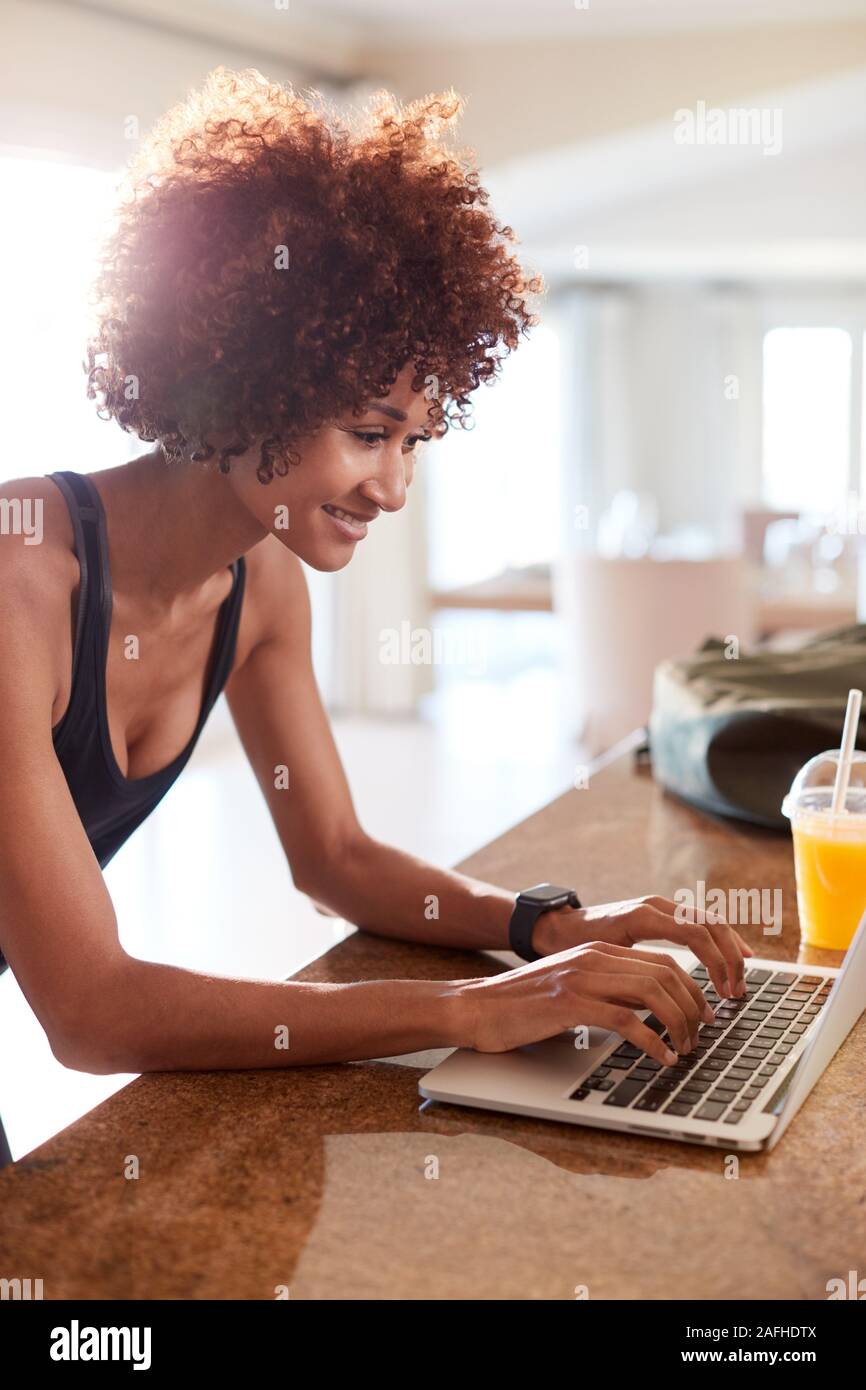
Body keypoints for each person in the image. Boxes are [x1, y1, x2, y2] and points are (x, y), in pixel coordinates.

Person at [0, 69, 750, 1091]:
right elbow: (91, 1011)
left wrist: (545, 925)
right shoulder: (19, 582)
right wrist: (465, 1009)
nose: (392, 488)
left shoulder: (258, 587)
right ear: (245, 382)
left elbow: (335, 856)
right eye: (367, 433)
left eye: (416, 442)